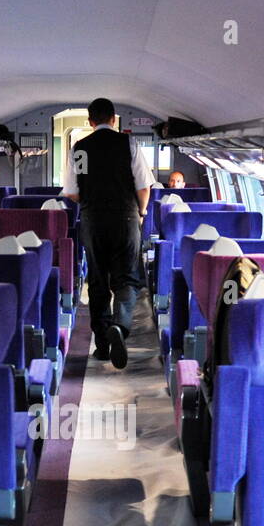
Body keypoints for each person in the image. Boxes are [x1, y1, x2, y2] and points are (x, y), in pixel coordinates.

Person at [62, 97, 156, 369]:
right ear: (114, 120)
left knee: (98, 281)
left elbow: (72, 192)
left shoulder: (79, 149)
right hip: (126, 218)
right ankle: (121, 326)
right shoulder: (129, 144)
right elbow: (143, 186)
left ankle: (102, 345)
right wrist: (140, 212)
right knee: (127, 278)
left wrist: (92, 200)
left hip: (92, 220)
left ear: (90, 122)